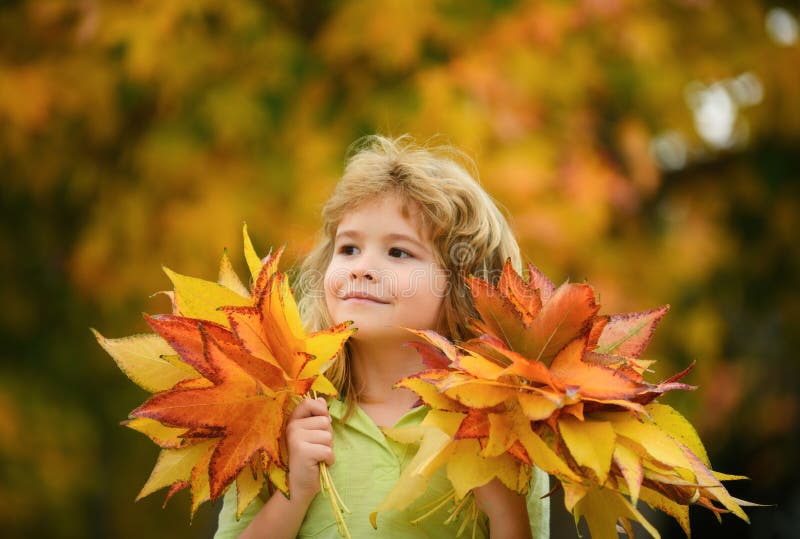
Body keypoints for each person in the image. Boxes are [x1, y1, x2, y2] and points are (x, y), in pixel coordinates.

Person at [214, 135, 550, 538]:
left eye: (398, 253)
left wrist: (505, 511)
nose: (362, 268)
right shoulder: (284, 410)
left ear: (463, 286)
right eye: (349, 248)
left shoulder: (499, 428)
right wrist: (295, 493)